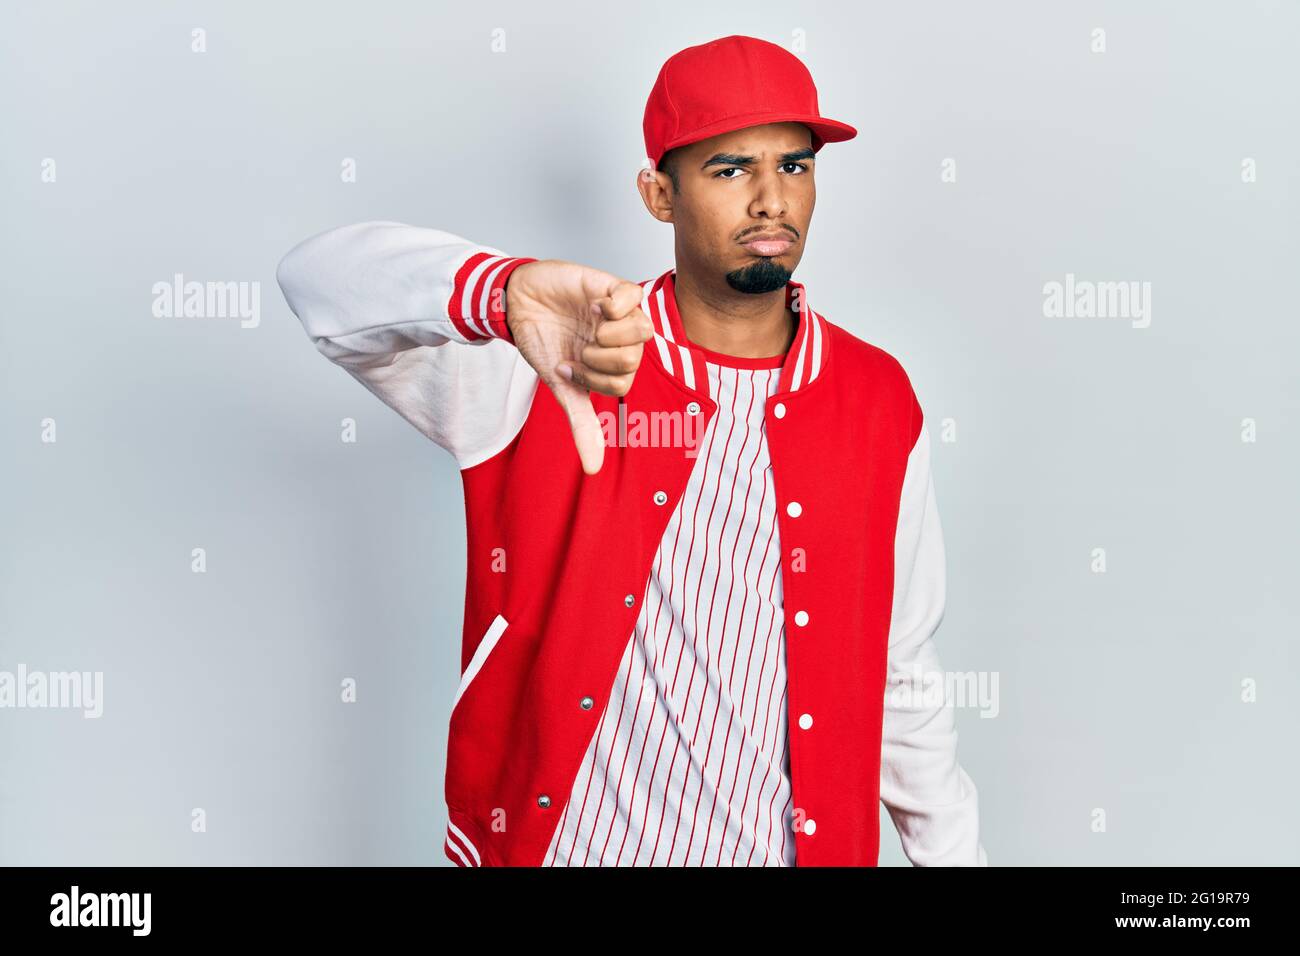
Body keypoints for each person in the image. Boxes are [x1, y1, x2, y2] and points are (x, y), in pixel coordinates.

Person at [276, 34, 987, 867]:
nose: (770, 200)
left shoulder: (875, 397)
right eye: (729, 169)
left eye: (793, 167)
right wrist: (501, 292)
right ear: (659, 194)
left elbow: (901, 666)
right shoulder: (546, 360)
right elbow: (316, 283)